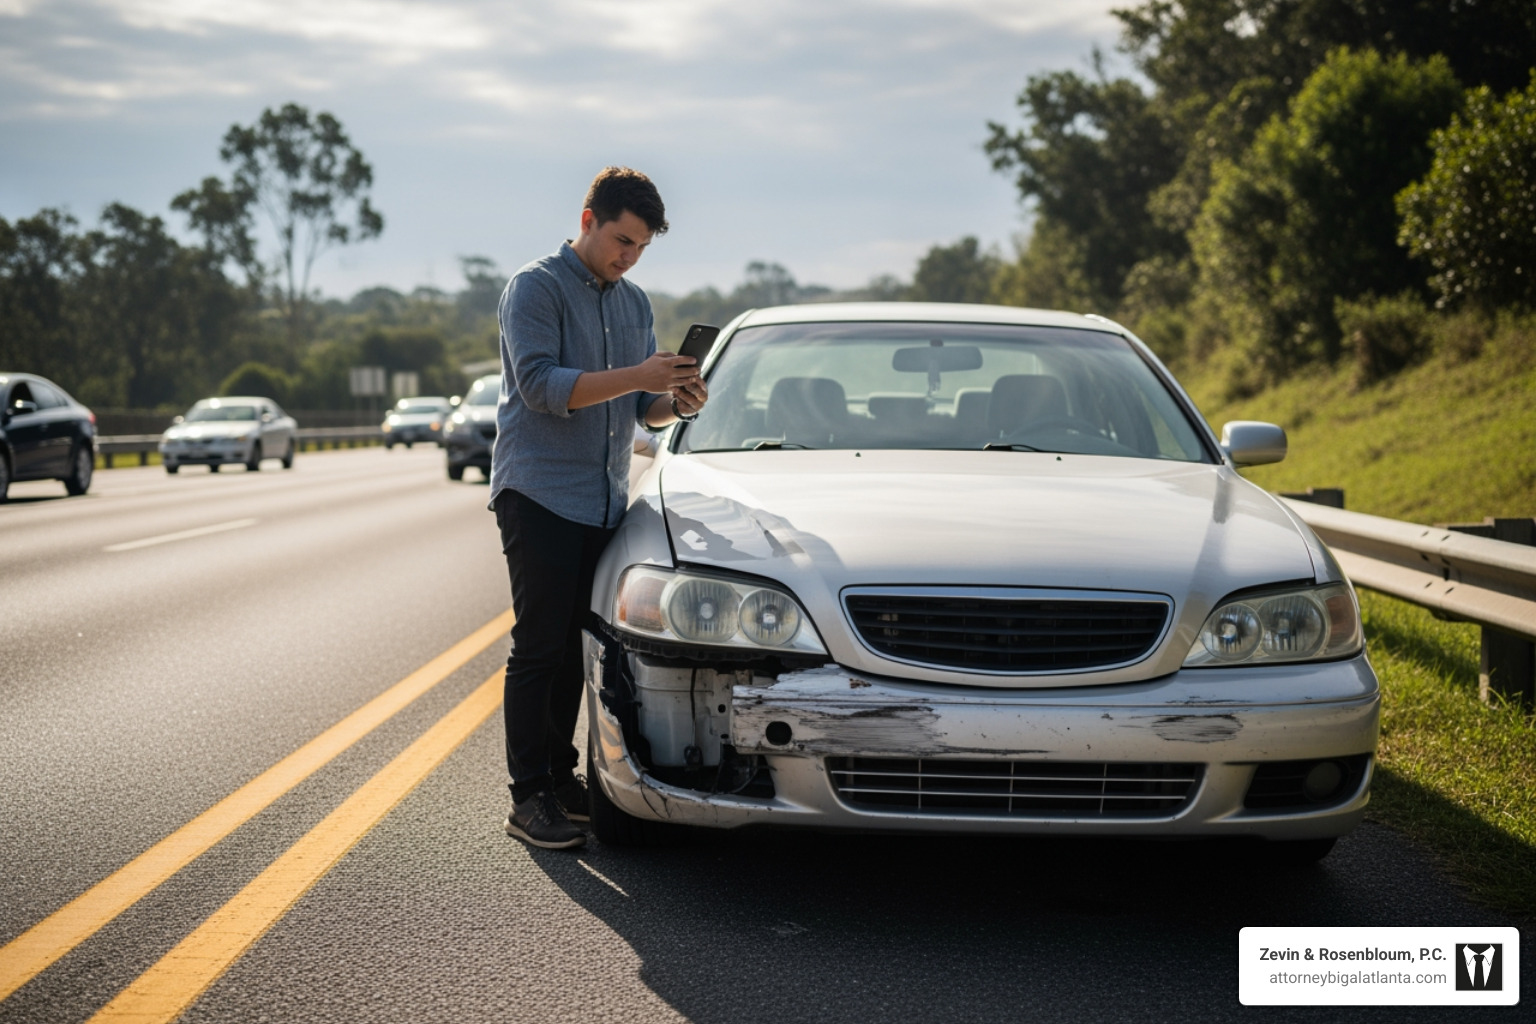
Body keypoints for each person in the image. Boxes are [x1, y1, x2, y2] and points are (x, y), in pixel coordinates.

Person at [491, 167, 707, 849]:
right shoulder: (535, 287)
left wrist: (676, 401)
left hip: (604, 499)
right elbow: (542, 388)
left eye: (641, 246)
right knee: (539, 646)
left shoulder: (634, 301)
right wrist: (640, 377)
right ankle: (528, 798)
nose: (629, 256)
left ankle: (562, 781)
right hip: (540, 491)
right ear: (588, 221)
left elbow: (643, 407)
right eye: (621, 240)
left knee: (575, 653)